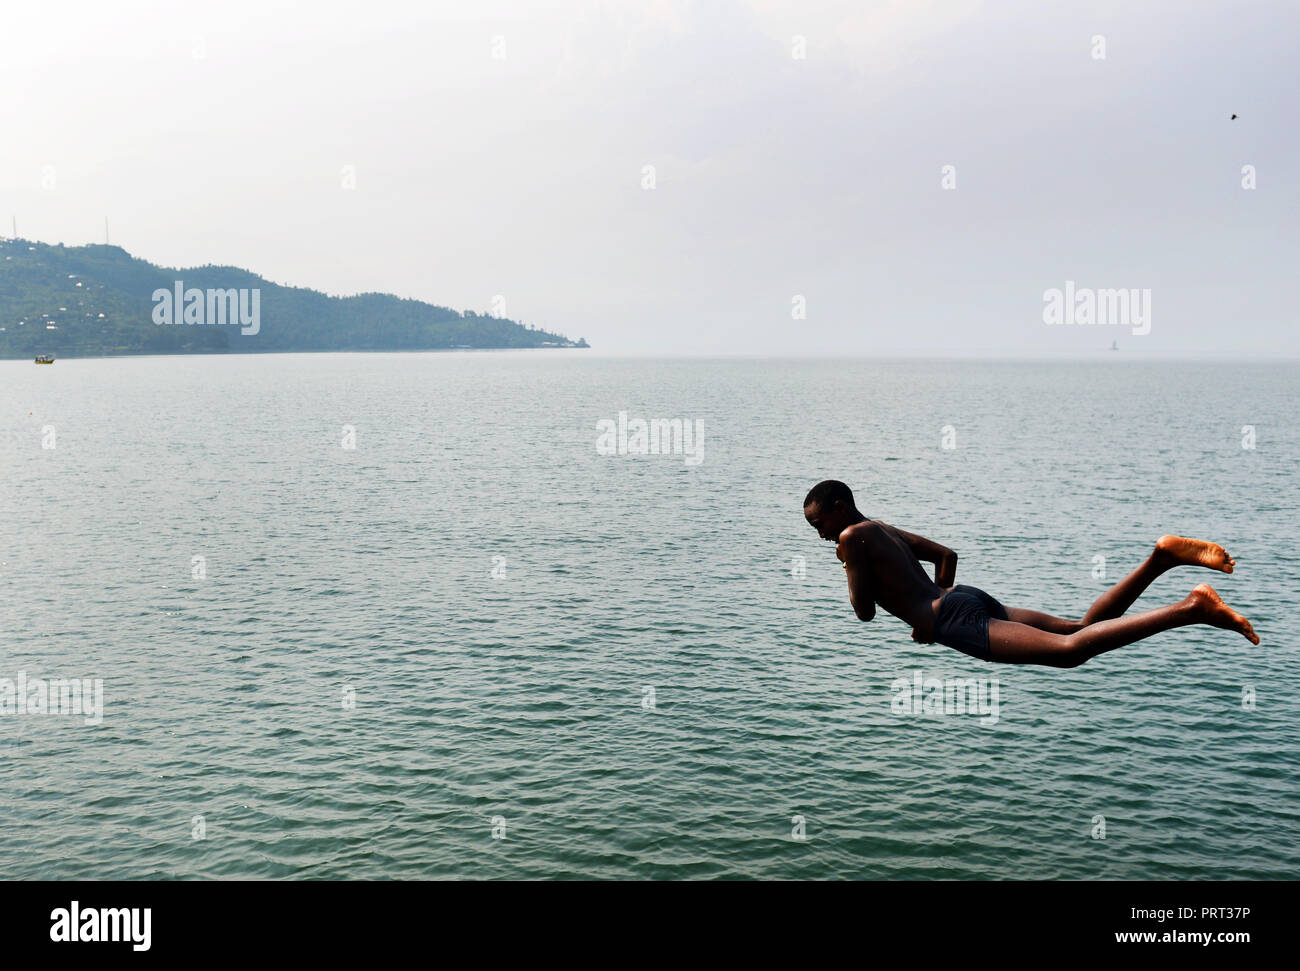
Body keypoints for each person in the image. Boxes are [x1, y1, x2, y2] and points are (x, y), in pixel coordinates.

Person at [803, 480, 1258, 667]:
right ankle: (1161, 559)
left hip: (954, 618)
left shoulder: (851, 541)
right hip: (965, 600)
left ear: (839, 509)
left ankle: (1193, 607)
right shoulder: (880, 527)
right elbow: (946, 555)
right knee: (1079, 628)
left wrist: (925, 615)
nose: (820, 534)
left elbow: (864, 612)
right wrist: (932, 604)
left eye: (818, 524)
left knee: (1069, 652)